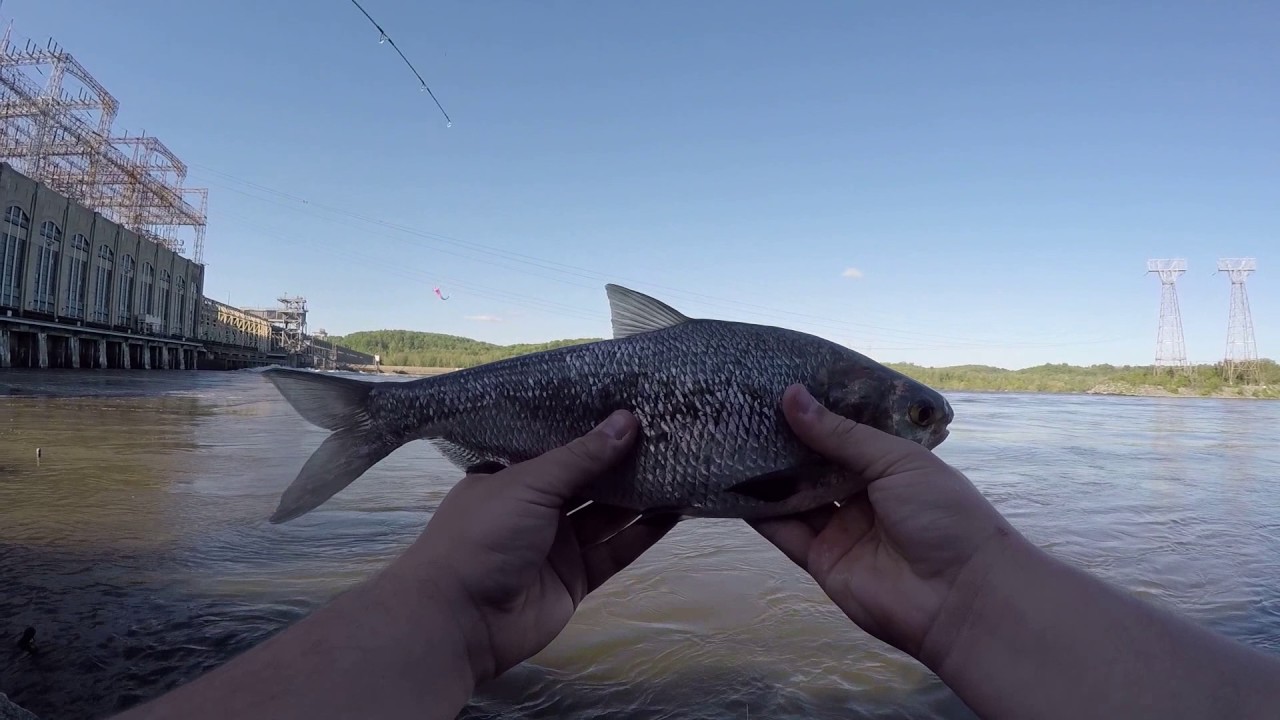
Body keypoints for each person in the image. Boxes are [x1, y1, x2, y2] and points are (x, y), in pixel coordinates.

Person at [112, 384, 1280, 720]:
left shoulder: (837, 448)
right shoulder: (818, 405)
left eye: (920, 422)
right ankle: (386, 414)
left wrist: (434, 616)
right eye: (913, 417)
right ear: (847, 413)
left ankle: (390, 416)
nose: (926, 434)